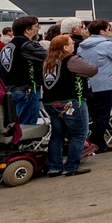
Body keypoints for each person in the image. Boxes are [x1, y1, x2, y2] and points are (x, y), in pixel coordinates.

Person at [41, 34, 98, 177]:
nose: (74, 45)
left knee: (57, 135)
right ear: (65, 47)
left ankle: (54, 167)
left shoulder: (47, 62)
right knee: (79, 134)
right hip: (71, 100)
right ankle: (71, 166)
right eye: (72, 43)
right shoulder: (71, 59)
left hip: (50, 102)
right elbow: (92, 70)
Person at [77, 20, 112, 153]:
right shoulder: (106, 44)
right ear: (102, 31)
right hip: (105, 82)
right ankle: (97, 142)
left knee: (94, 114)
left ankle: (95, 141)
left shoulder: (82, 45)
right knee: (103, 115)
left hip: (89, 82)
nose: (108, 32)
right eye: (107, 30)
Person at [0, 15, 46, 126]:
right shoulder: (27, 45)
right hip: (26, 90)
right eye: (36, 26)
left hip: (10, 90)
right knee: (27, 127)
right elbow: (50, 57)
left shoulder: (6, 47)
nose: (38, 29)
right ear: (27, 30)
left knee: (14, 125)